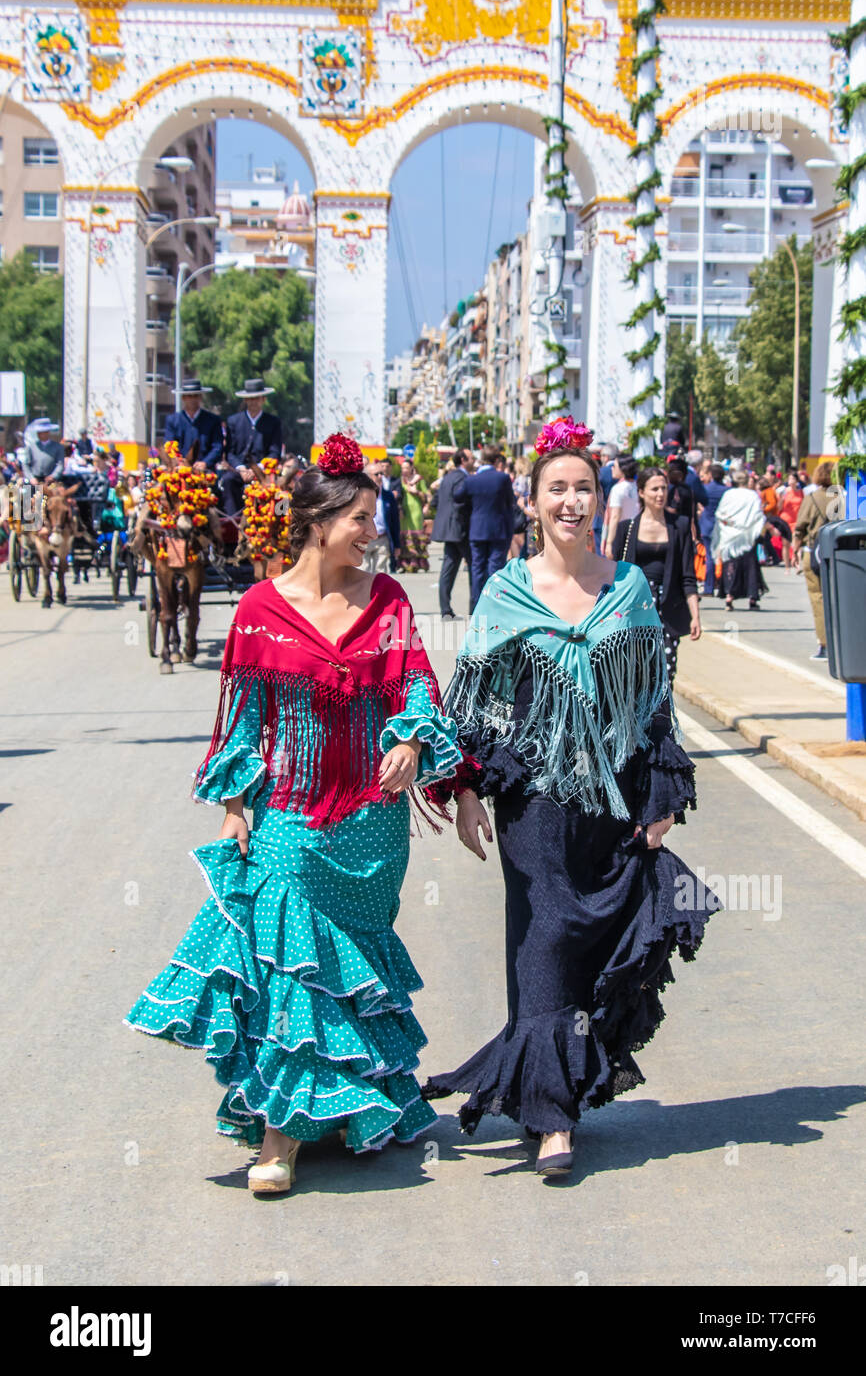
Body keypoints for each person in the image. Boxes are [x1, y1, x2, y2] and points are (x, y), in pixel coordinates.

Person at [125, 433, 464, 1194]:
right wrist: (234, 809)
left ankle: (349, 1107)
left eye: (375, 518)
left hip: (373, 827)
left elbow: (418, 686)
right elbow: (241, 726)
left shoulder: (390, 600)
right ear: (320, 523)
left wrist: (411, 739)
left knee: (350, 977)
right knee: (290, 968)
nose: (375, 533)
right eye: (363, 520)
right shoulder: (257, 609)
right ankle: (279, 1139)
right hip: (291, 816)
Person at [421, 416, 720, 1177]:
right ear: (532, 501)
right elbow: (474, 699)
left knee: (595, 939)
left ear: (600, 500)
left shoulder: (628, 589)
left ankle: (548, 1085)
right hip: (535, 802)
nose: (571, 502)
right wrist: (464, 793)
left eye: (583, 488)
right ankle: (551, 1120)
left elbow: (655, 698)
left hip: (613, 799)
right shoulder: (504, 592)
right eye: (557, 489)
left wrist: (660, 798)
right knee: (545, 936)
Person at [612, 467, 701, 683]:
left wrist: (695, 615)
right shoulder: (627, 529)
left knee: (665, 674)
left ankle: (661, 717)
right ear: (641, 492)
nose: (660, 494)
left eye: (664, 488)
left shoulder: (679, 526)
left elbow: (688, 575)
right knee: (632, 675)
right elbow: (614, 576)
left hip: (668, 606)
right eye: (654, 489)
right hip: (634, 610)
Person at [453, 443, 516, 611]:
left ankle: (475, 607)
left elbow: (457, 496)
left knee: (477, 570)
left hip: (477, 529)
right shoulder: (502, 478)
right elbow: (511, 502)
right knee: (495, 569)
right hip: (498, 530)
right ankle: (494, 606)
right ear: (496, 460)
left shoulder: (471, 479)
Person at [792, 462, 836, 660]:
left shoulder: (812, 498)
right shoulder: (843, 497)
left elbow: (800, 526)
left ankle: (824, 644)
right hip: (839, 553)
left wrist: (795, 550)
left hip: (814, 551)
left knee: (817, 598)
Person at [223, 378, 284, 517]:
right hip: (240, 471)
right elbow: (230, 453)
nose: (253, 402)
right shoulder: (234, 421)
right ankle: (234, 521)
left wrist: (258, 468)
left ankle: (283, 521)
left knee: (282, 487)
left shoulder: (273, 422)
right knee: (227, 481)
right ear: (245, 400)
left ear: (263, 399)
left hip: (264, 470)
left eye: (256, 398)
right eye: (250, 399)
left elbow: (275, 452)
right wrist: (242, 469)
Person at [711, 469, 767, 611]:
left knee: (730, 565)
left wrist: (729, 525)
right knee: (750, 566)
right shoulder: (752, 495)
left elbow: (720, 514)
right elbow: (758, 515)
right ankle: (752, 598)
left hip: (730, 534)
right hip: (747, 535)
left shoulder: (728, 494)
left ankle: (729, 595)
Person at [431, 448, 472, 617]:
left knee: (448, 568)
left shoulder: (447, 477)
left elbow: (435, 501)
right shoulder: (462, 478)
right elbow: (460, 502)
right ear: (463, 460)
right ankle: (475, 608)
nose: (474, 461)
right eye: (471, 458)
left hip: (449, 530)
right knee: (474, 567)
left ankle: (445, 609)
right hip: (460, 529)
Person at [165, 379, 224, 469]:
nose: (192, 399)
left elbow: (217, 446)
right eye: (189, 396)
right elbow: (169, 444)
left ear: (200, 397)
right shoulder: (173, 420)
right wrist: (178, 461)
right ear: (183, 398)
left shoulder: (213, 420)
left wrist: (205, 462)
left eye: (195, 396)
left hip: (205, 470)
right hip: (179, 469)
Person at [361, 456, 400, 574]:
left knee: (381, 575)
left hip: (382, 539)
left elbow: (395, 521)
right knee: (363, 572)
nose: (380, 477)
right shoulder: (359, 496)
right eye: (376, 474)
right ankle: (365, 593)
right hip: (364, 539)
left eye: (381, 474)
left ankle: (378, 594)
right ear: (367, 476)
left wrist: (397, 545)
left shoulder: (388, 496)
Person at [697, 462, 729, 596]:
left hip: (707, 525)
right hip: (722, 527)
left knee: (710, 557)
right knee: (725, 556)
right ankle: (725, 586)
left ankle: (709, 588)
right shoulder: (727, 491)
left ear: (710, 474)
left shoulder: (706, 489)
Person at [396, 458, 430, 572]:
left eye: (406, 467)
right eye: (402, 468)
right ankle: (405, 564)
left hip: (415, 510)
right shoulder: (399, 480)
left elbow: (426, 496)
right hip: (404, 512)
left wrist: (417, 492)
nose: (404, 470)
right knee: (405, 536)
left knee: (416, 535)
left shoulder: (418, 480)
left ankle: (418, 563)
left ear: (411, 468)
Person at [602, 452, 639, 556]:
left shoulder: (618, 489)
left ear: (623, 469)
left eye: (615, 466)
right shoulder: (637, 486)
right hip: (636, 532)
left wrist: (609, 543)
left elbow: (615, 516)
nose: (612, 468)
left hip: (620, 534)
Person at [776, 471, 804, 571]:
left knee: (797, 544)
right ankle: (787, 567)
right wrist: (781, 500)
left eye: (792, 479)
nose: (790, 481)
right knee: (786, 544)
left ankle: (798, 565)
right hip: (785, 520)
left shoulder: (801, 492)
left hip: (797, 520)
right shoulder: (784, 492)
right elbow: (779, 508)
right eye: (789, 479)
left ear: (796, 481)